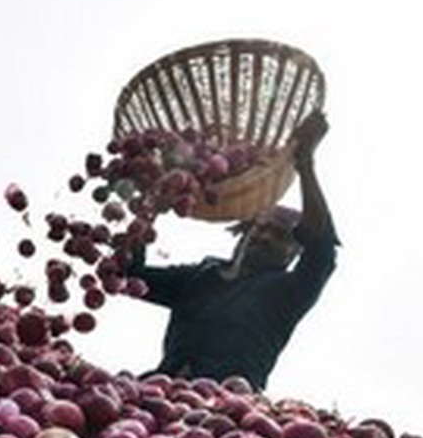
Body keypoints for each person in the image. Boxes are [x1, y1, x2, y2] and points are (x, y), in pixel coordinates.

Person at [124, 111, 339, 391]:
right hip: (162, 393)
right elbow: (130, 276)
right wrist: (149, 204)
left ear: (292, 253)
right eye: (261, 228)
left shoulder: (289, 291)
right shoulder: (202, 275)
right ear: (244, 232)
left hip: (230, 408)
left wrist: (305, 164)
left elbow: (322, 246)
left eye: (280, 236)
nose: (265, 236)